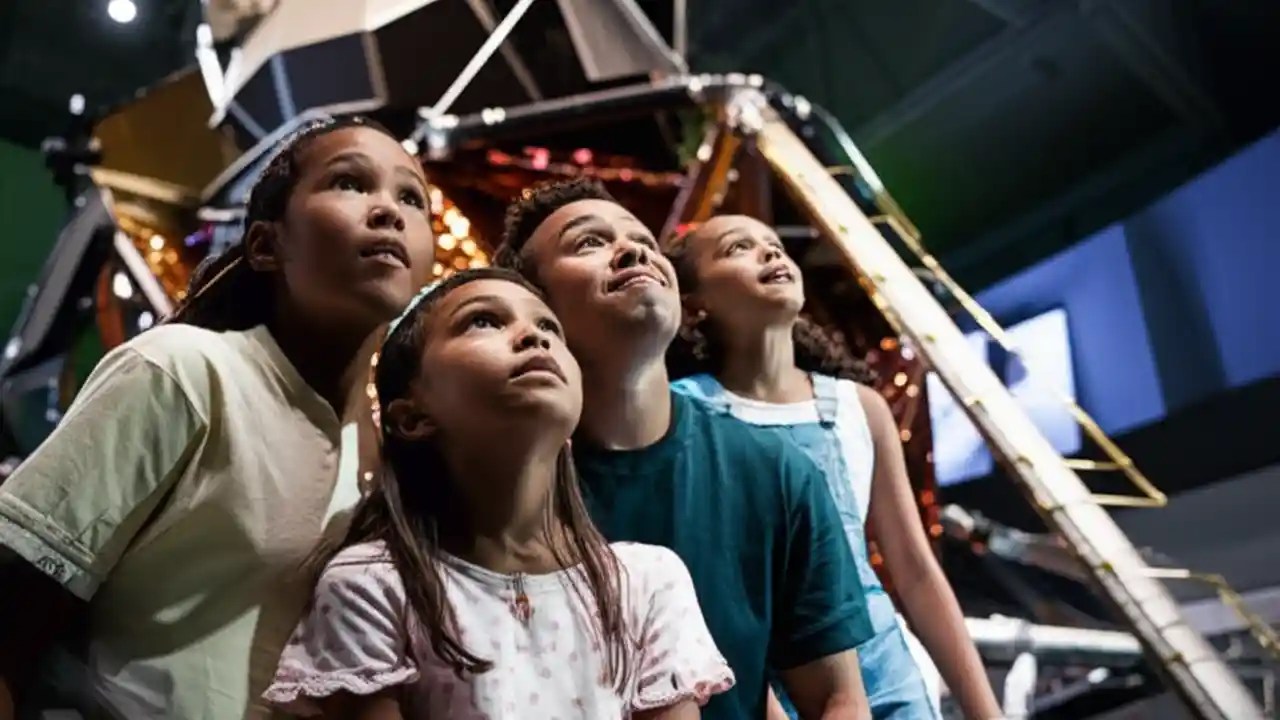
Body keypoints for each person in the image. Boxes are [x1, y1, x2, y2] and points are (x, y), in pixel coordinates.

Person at [0, 116, 436, 719]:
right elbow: (12, 615)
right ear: (266, 244)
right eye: (349, 183)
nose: (389, 210)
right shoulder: (181, 371)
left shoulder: (398, 454)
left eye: (411, 197)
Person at [264, 268, 734, 718]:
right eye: (483, 321)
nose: (535, 337)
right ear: (411, 416)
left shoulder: (646, 582)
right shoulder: (373, 585)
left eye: (549, 326)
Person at [493, 178, 875, 720]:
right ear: (534, 309)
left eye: (643, 240)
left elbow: (837, 699)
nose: (633, 250)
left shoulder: (778, 473)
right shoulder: (494, 484)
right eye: (588, 243)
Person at [666, 214, 1004, 720]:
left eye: (775, 244)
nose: (771, 254)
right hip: (768, 686)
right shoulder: (684, 412)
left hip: (889, 674)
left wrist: (986, 713)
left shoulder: (859, 408)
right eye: (739, 247)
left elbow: (914, 573)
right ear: (694, 303)